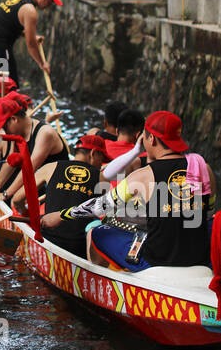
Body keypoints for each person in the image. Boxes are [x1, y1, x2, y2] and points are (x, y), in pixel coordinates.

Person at [86, 111, 212, 271]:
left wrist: (61, 215)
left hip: (156, 260)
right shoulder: (203, 168)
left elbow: (100, 204)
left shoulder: (143, 175)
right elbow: (208, 213)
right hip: (199, 258)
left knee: (97, 232)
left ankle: (102, 278)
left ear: (150, 138)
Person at [0, 93, 68, 204]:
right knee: (14, 197)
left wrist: (5, 195)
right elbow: (11, 164)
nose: (4, 131)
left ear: (14, 119)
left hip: (58, 186)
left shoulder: (44, 133)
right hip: (41, 181)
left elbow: (29, 168)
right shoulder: (18, 132)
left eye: (4, 126)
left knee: (15, 200)